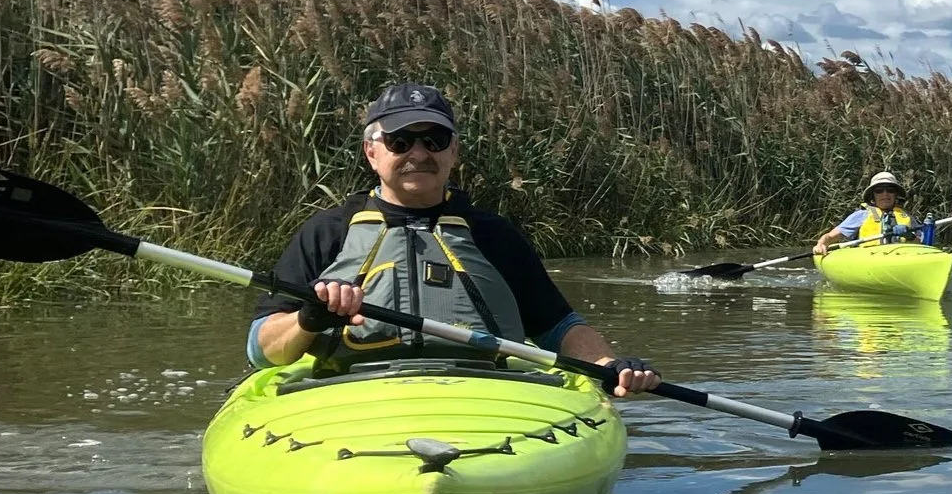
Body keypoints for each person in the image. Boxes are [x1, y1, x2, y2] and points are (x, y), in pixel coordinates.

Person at [248, 82, 660, 397]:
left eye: (435, 141)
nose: (419, 153)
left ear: (454, 151)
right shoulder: (328, 231)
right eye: (400, 141)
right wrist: (309, 319)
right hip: (355, 392)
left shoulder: (492, 234)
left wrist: (608, 363)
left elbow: (559, 328)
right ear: (372, 152)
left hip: (487, 390)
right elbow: (262, 350)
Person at [813, 170, 930, 255]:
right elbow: (830, 236)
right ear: (873, 195)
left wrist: (909, 236)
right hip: (869, 257)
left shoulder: (907, 217)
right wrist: (821, 244)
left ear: (896, 195)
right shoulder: (861, 215)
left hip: (900, 258)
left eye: (890, 190)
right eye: (879, 191)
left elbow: (922, 245)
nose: (885, 194)